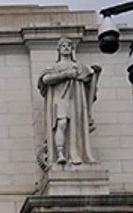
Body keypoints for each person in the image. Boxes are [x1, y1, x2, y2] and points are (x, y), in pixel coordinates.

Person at [38, 37, 99, 167]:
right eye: (63, 46)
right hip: (59, 99)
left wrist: (95, 75)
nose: (66, 48)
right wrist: (65, 74)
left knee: (76, 127)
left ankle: (76, 154)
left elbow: (90, 86)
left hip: (75, 100)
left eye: (68, 46)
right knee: (61, 123)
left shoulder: (79, 67)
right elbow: (46, 79)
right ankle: (60, 153)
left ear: (72, 49)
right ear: (58, 50)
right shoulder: (54, 67)